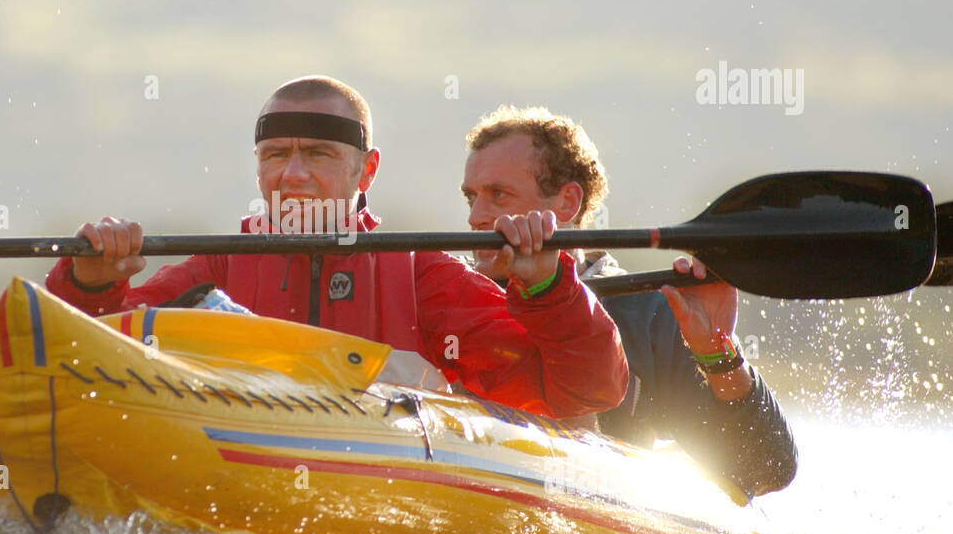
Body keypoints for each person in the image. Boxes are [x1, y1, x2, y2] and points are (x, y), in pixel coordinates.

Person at [45, 76, 628, 420]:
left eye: (318, 155)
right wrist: (92, 281)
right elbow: (87, 357)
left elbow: (586, 392)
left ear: (365, 171)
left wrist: (550, 285)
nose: (291, 175)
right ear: (258, 172)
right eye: (276, 156)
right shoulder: (217, 265)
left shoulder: (420, 274)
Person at [461, 104, 797, 497]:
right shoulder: (449, 292)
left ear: (567, 204)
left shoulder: (647, 312)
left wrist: (717, 350)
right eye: (471, 198)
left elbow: (766, 470)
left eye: (499, 195)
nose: (475, 218)